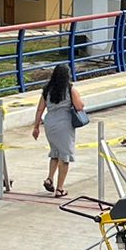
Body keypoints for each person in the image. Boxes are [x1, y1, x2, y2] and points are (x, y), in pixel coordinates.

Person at [32, 64, 85, 198]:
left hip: (50, 124)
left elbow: (40, 109)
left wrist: (36, 127)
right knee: (65, 156)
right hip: (64, 124)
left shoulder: (47, 89)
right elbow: (79, 106)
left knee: (55, 153)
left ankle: (50, 178)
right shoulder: (69, 89)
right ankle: (60, 188)